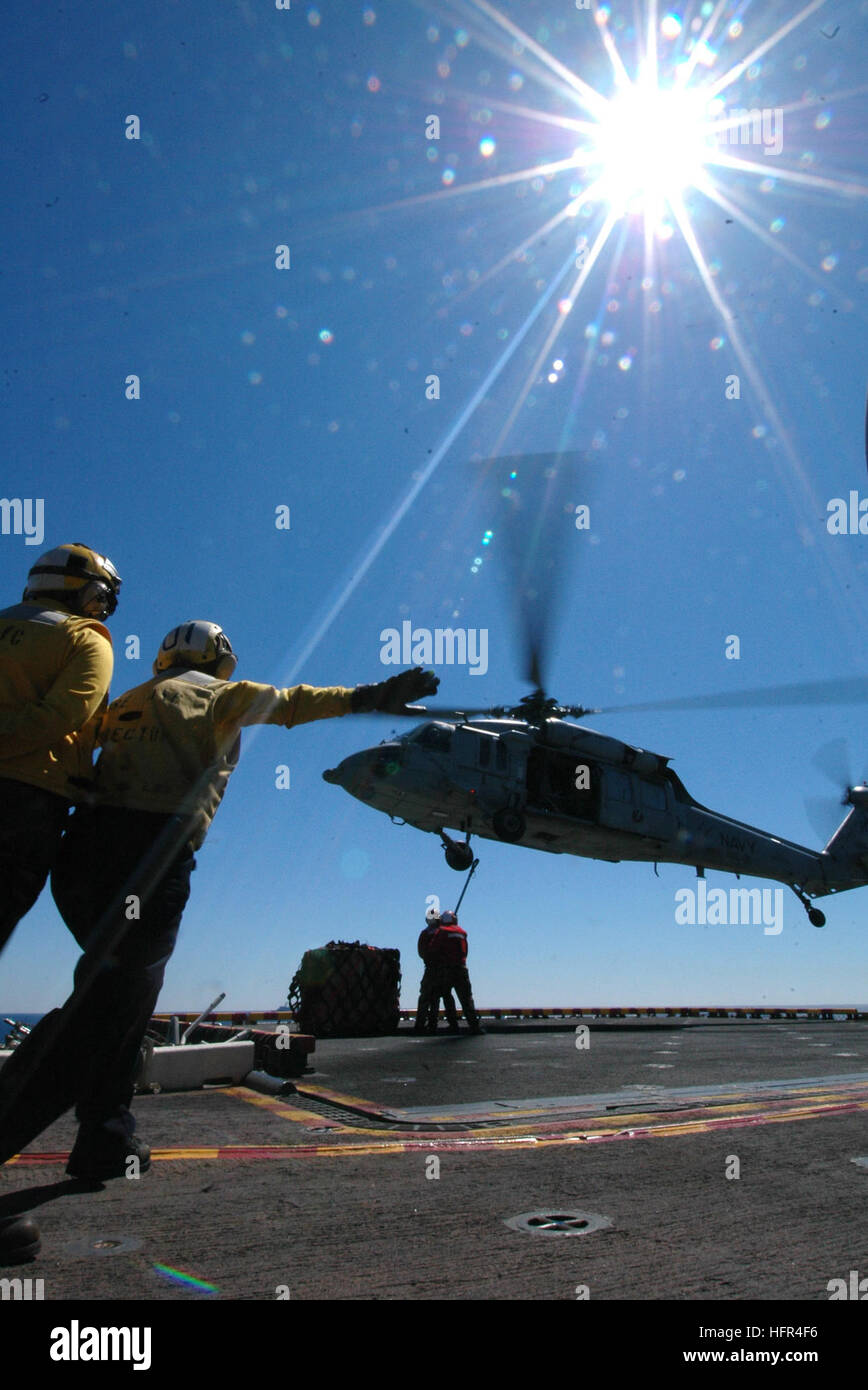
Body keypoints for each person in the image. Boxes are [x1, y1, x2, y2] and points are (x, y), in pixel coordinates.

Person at [0, 621, 437, 1260]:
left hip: (80, 858)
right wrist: (374, 695)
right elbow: (294, 704)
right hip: (147, 855)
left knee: (118, 998)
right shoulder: (212, 694)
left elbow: (74, 750)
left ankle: (106, 1137)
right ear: (219, 659)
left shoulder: (126, 700)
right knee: (105, 1010)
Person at [0, 543, 121, 955]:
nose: (102, 607)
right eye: (101, 595)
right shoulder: (85, 638)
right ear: (79, 588)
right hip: (26, 799)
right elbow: (63, 716)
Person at [425, 910, 483, 1034]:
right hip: (462, 968)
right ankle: (474, 1026)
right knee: (466, 998)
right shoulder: (462, 932)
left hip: (446, 969)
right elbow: (465, 951)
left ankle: (453, 1024)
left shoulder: (442, 932)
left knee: (446, 996)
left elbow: (433, 949)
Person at [413, 906, 458, 1033]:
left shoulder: (430, 933)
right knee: (442, 996)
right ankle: (449, 1023)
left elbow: (422, 952)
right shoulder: (441, 932)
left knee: (428, 997)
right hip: (442, 968)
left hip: (433, 969)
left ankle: (423, 1024)